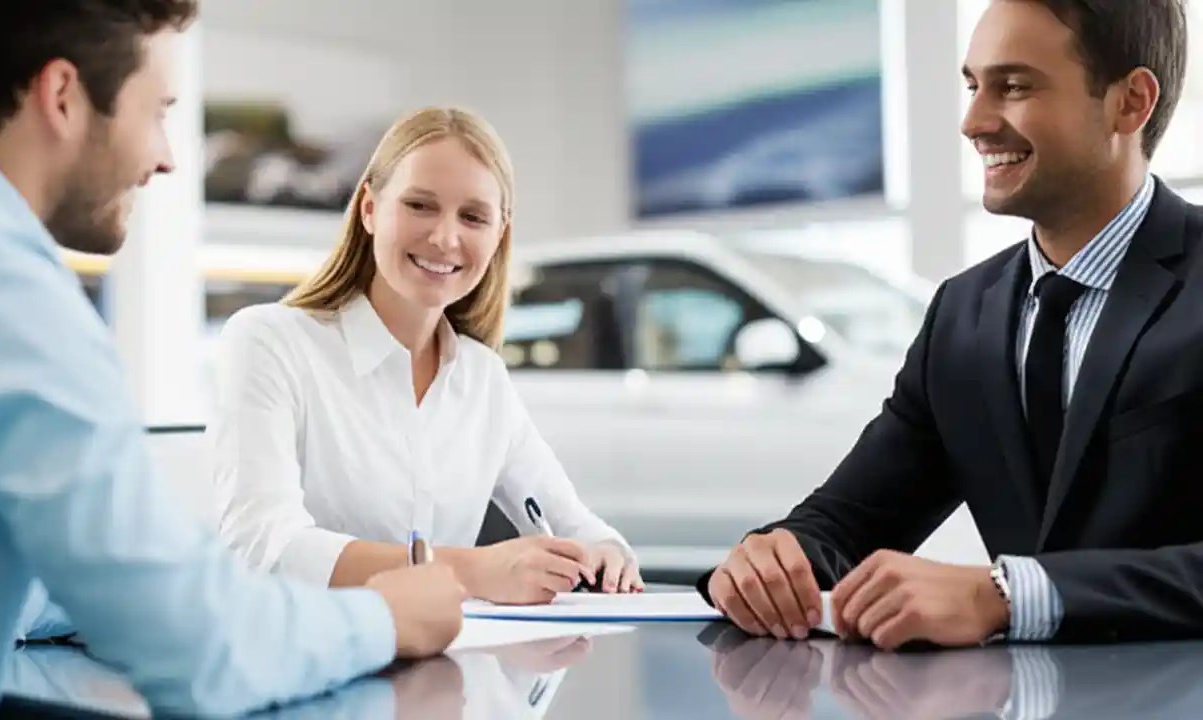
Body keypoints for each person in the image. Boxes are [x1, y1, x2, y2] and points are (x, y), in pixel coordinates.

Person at [0, 2, 465, 718]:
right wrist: (388, 615)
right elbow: (205, 657)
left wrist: (141, 588)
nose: (168, 156)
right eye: (159, 112)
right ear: (62, 96)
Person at [701, 0, 1203, 648]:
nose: (974, 122)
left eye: (1014, 86)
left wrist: (1006, 594)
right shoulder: (964, 316)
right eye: (973, 86)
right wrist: (772, 561)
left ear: (1129, 102)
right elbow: (847, 522)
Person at [207, 106, 644, 604]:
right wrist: (466, 570)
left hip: (441, 672)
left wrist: (605, 552)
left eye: (473, 216)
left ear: (499, 233)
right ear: (369, 209)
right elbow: (260, 546)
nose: (445, 238)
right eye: (420, 205)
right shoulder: (269, 342)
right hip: (304, 666)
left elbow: (577, 527)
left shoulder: (482, 377)